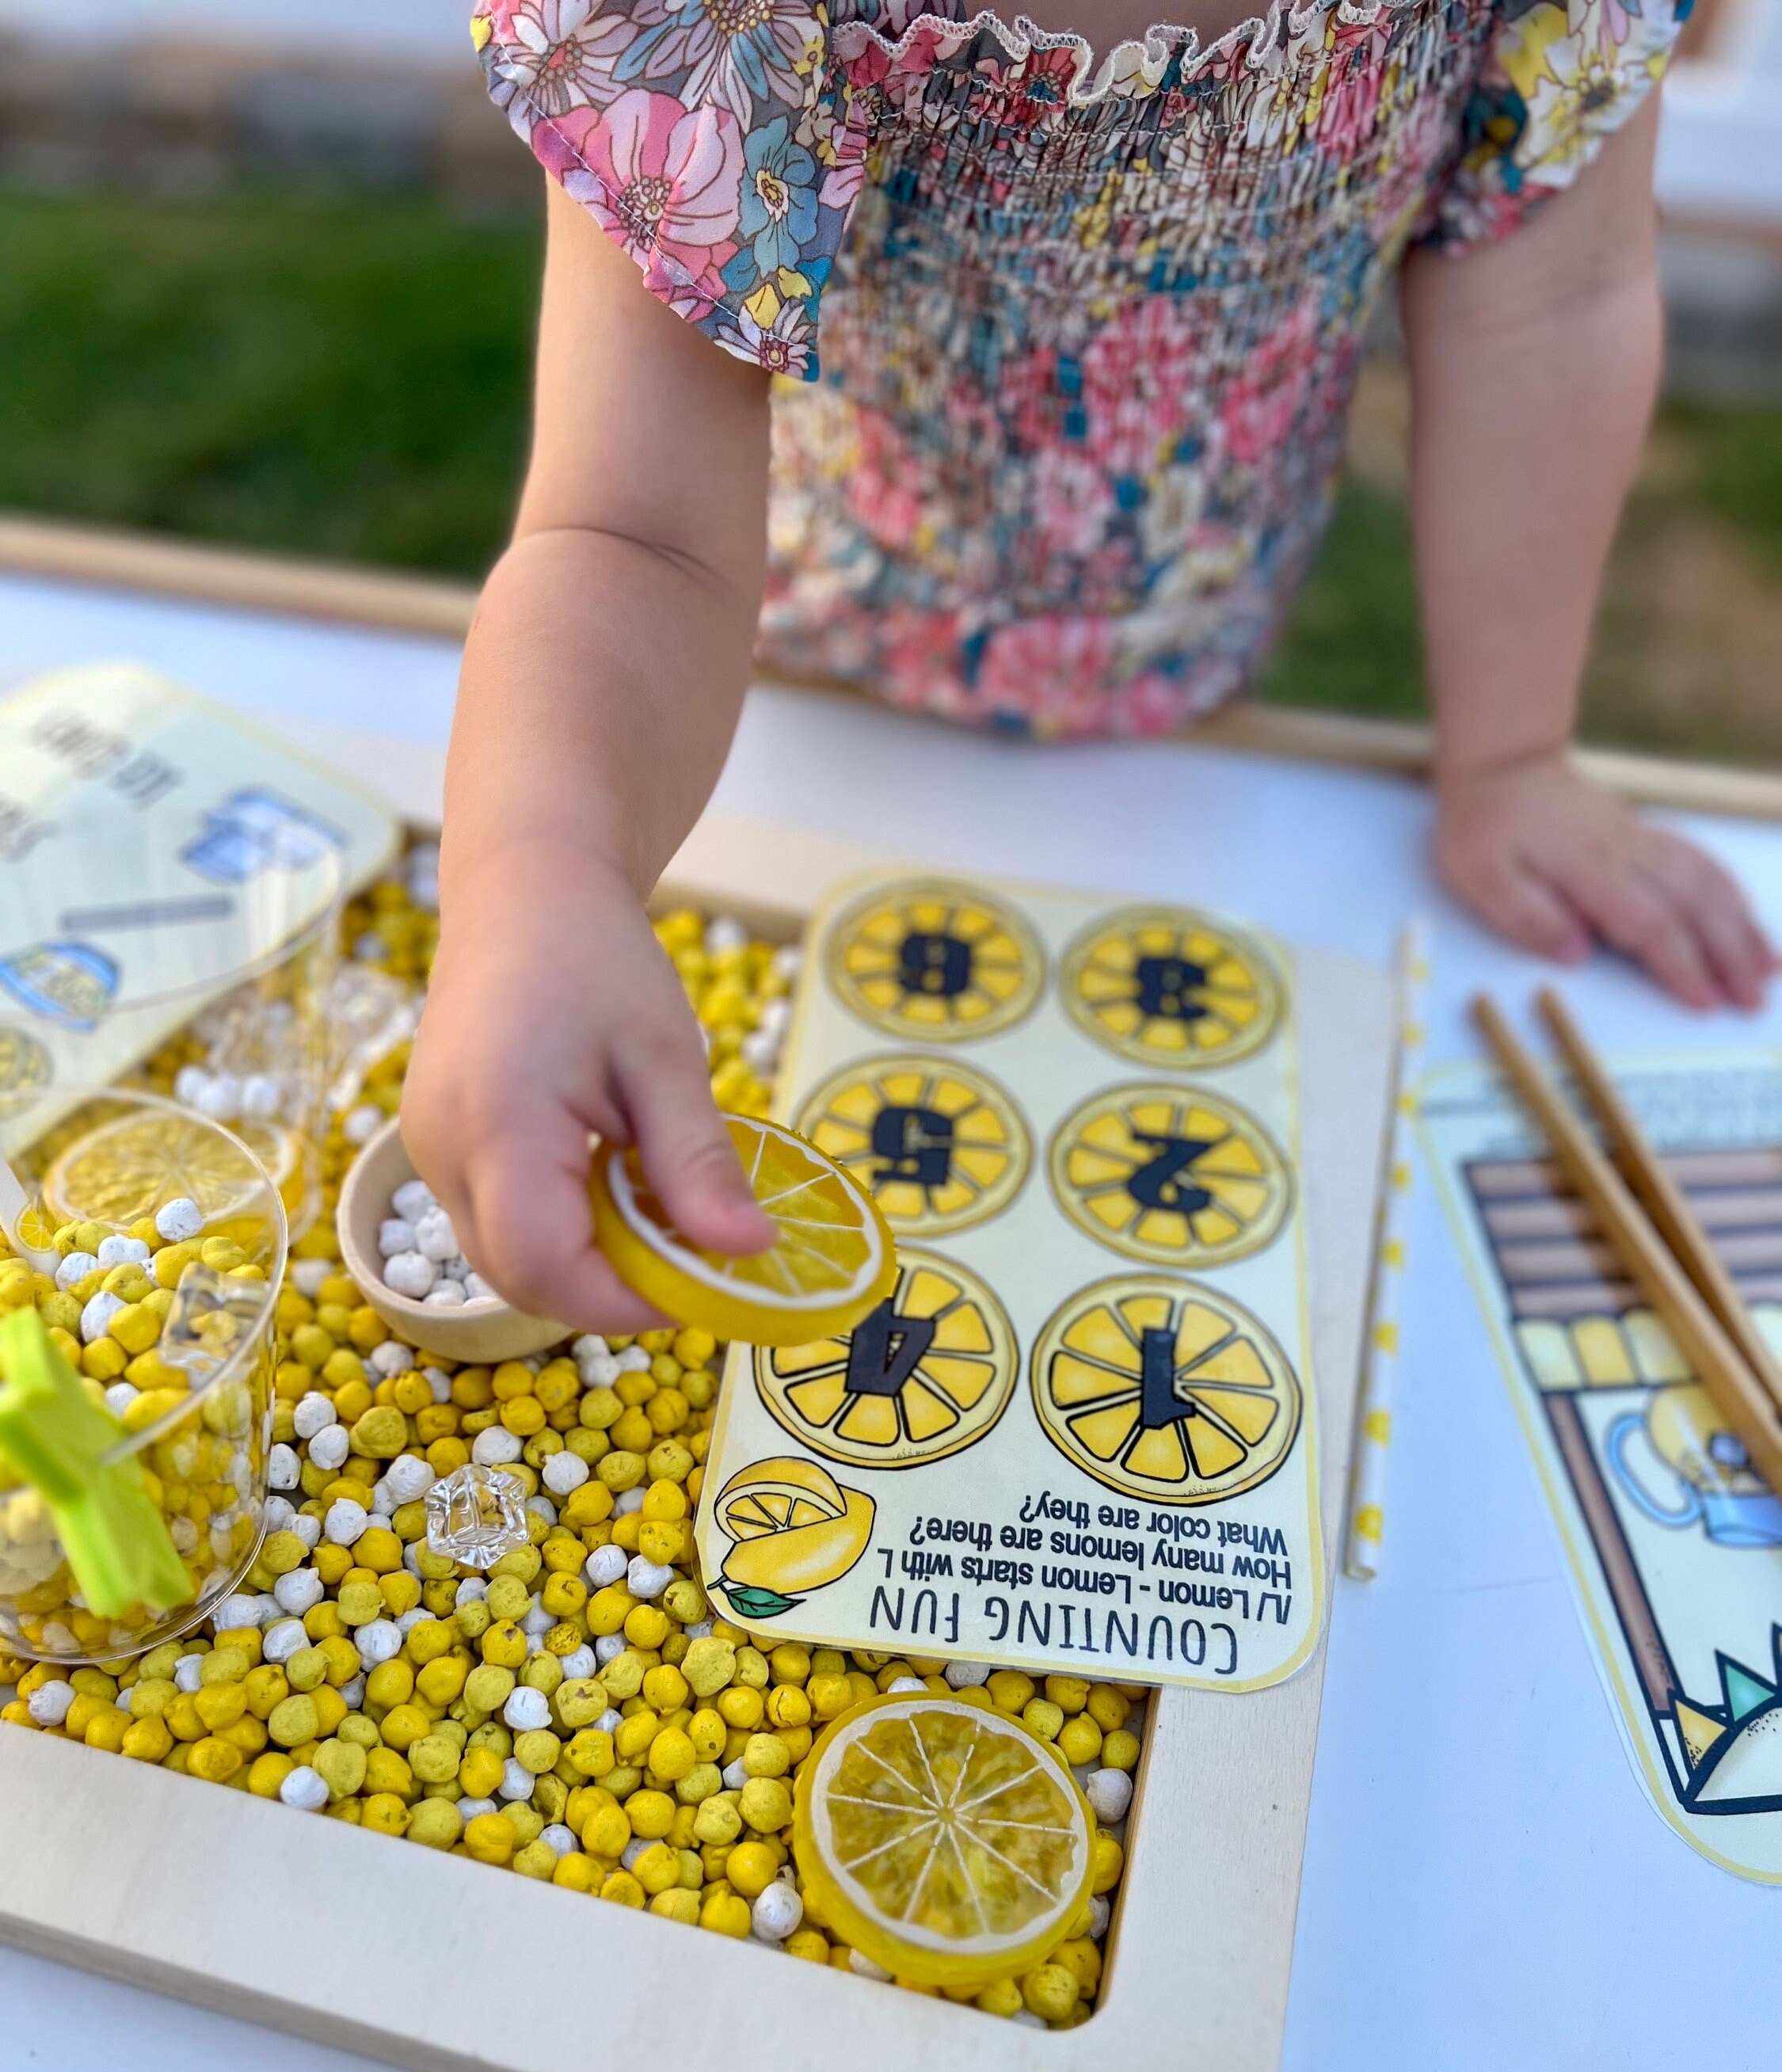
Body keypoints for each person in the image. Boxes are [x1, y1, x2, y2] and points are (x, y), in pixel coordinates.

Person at [408, 0, 1774, 1327]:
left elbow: (1554, 300)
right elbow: (633, 534)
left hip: (1190, 659)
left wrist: (1513, 753)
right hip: (782, 668)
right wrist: (540, 872)